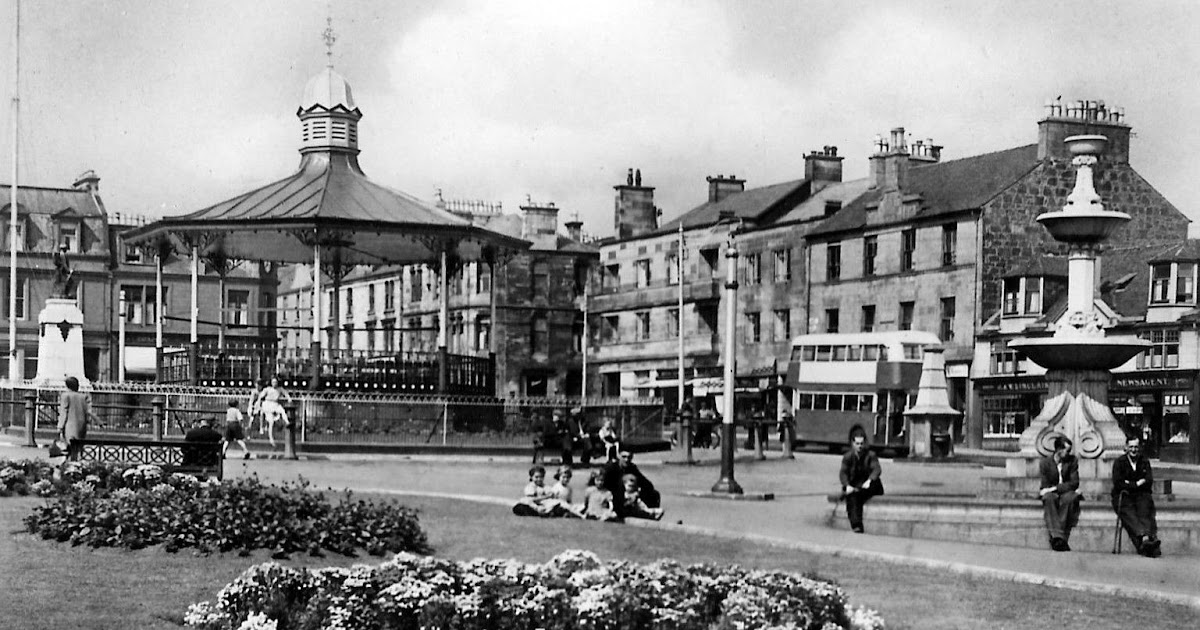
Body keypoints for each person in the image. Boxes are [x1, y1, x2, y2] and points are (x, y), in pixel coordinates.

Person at [1112, 436, 1161, 557]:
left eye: (1136, 447)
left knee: (1144, 510)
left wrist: (1129, 483)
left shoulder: (1144, 461)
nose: (1133, 450)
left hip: (1141, 494)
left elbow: (1148, 480)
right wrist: (1137, 483)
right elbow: (1118, 483)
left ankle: (1146, 540)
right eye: (1131, 447)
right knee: (1129, 513)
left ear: (1140, 448)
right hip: (1124, 495)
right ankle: (1145, 537)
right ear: (1126, 448)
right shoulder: (1119, 462)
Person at [1038, 436, 1081, 552]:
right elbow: (1045, 485)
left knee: (1070, 498)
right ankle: (1059, 538)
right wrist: (1052, 490)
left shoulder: (1072, 461)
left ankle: (1057, 536)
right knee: (1048, 499)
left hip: (1064, 492)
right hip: (1052, 493)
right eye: (1067, 451)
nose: (1069, 453)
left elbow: (1074, 482)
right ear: (1058, 450)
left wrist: (1055, 488)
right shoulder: (1045, 463)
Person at [838, 430, 883, 533]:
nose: (860, 446)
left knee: (858, 494)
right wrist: (847, 485)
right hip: (856, 485)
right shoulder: (848, 457)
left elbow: (877, 469)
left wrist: (870, 480)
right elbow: (843, 473)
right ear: (853, 444)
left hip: (869, 484)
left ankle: (857, 523)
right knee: (852, 497)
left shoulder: (871, 455)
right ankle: (856, 525)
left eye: (862, 443)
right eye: (857, 444)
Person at [57, 376, 95, 462]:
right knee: (78, 449)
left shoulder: (65, 396)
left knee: (69, 448)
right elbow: (88, 412)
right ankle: (77, 464)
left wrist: (60, 427)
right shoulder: (83, 397)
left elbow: (64, 412)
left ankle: (69, 467)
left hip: (69, 426)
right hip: (82, 426)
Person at [256, 376, 291, 449]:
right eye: (273, 382)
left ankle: (287, 422)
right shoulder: (267, 389)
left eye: (276, 382)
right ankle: (271, 439)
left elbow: (286, 394)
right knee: (271, 422)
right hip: (268, 404)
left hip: (275, 404)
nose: (274, 383)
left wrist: (289, 399)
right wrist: (259, 405)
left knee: (282, 410)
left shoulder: (280, 389)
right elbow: (260, 397)